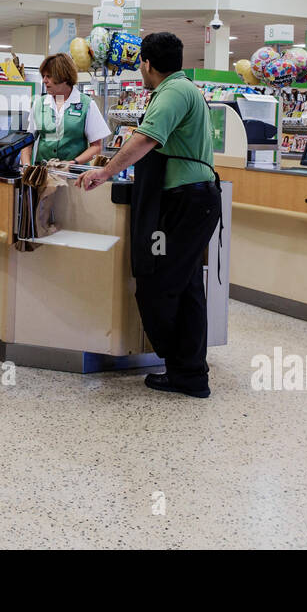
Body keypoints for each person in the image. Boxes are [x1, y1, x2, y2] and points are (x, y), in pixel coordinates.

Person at [80, 32, 220, 399]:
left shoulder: (173, 93)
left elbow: (145, 139)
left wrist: (104, 171)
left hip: (186, 202)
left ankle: (184, 370)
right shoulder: (183, 89)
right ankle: (188, 374)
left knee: (160, 286)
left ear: (146, 63)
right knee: (186, 288)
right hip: (195, 200)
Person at [22, 52, 110, 166]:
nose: (44, 80)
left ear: (63, 77)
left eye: (48, 76)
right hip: (42, 176)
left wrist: (73, 163)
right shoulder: (39, 104)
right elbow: (27, 144)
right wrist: (26, 167)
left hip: (74, 177)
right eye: (43, 76)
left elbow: (97, 147)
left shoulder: (87, 104)